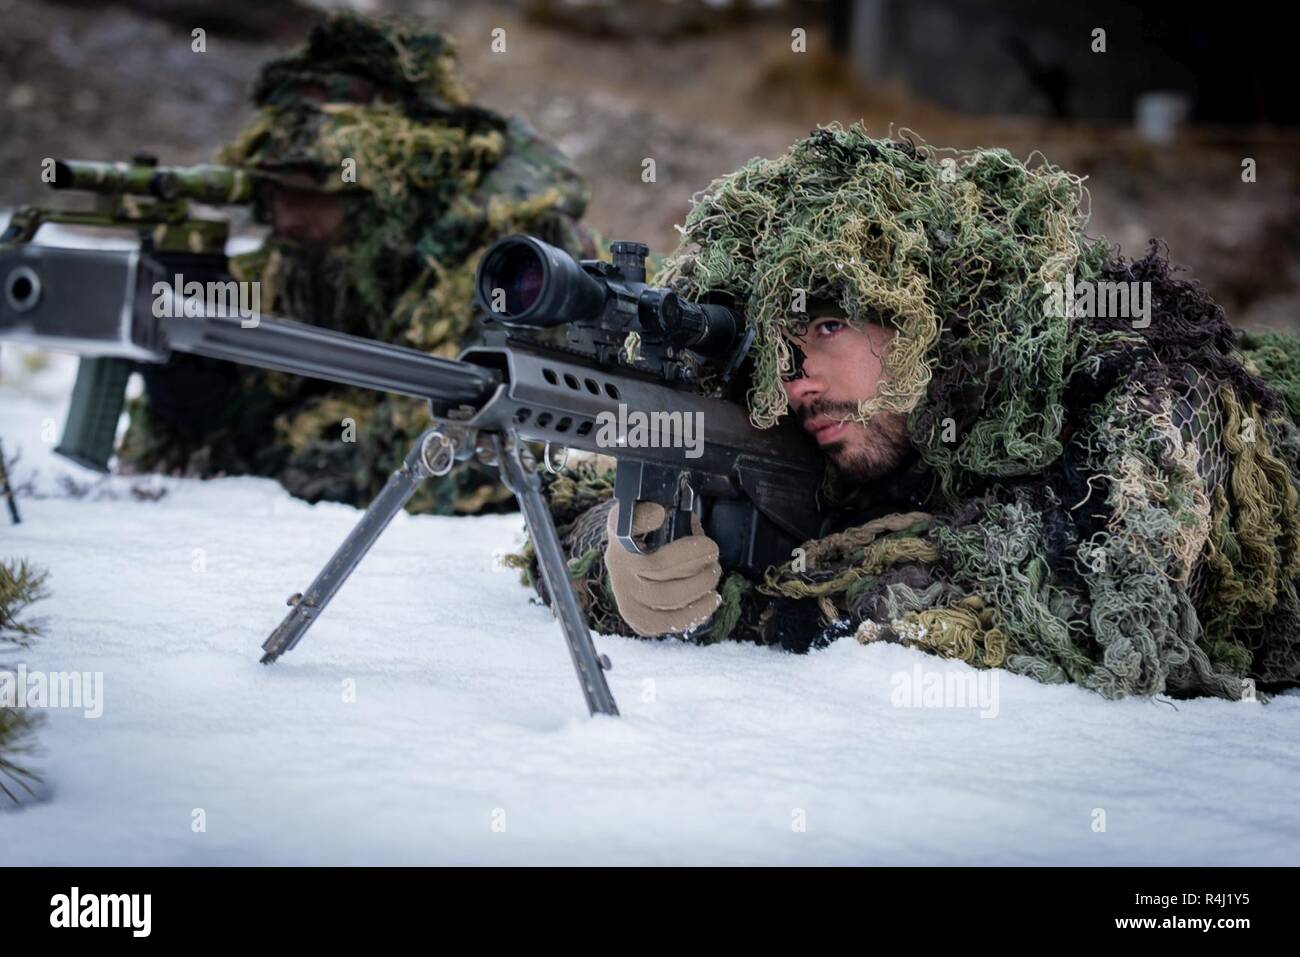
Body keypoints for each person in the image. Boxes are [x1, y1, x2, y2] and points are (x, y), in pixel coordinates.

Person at [530, 124, 1300, 700]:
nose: (797, 384)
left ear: (926, 311)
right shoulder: (808, 418)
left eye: (829, 327)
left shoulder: (1121, 376)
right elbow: (560, 509)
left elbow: (1105, 597)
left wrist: (772, 593)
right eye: (777, 350)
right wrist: (624, 553)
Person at [118, 12, 595, 515]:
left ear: (384, 195)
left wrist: (272, 451)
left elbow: (458, 464)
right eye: (274, 193)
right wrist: (190, 371)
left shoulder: (509, 266)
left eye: (313, 195)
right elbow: (180, 464)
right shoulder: (293, 266)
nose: (289, 219)